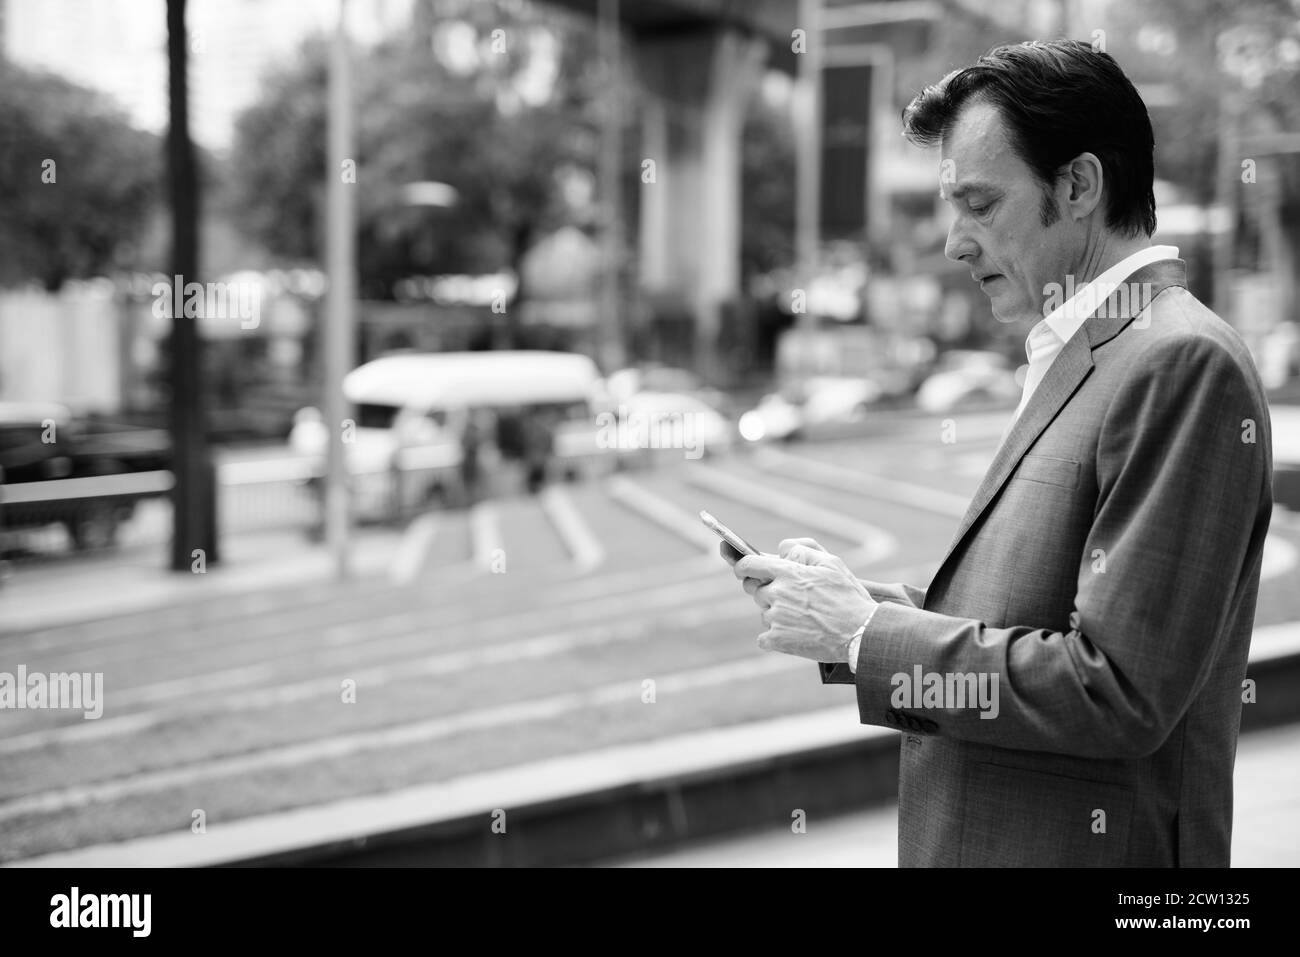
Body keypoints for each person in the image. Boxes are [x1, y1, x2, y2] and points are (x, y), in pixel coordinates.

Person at [726, 39, 1273, 867]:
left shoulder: (1178, 361)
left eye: (980, 205)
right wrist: (847, 610)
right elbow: (1025, 617)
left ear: (1079, 185)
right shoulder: (1087, 349)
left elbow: (1115, 689)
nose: (954, 243)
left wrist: (874, 637)